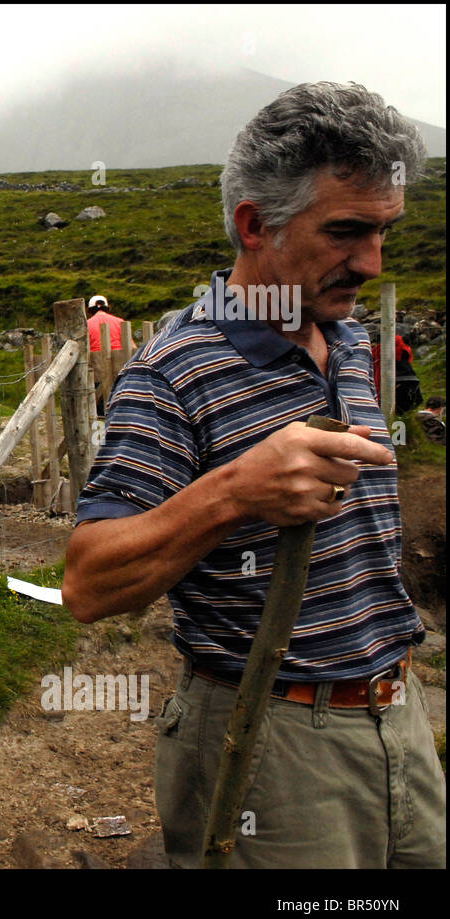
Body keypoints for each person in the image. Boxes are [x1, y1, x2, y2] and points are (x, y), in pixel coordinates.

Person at [62, 83, 444, 869]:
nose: (371, 263)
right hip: (268, 744)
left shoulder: (345, 340)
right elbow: (88, 583)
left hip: (400, 719)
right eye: (346, 232)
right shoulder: (173, 372)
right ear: (253, 224)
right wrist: (236, 490)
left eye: (384, 233)